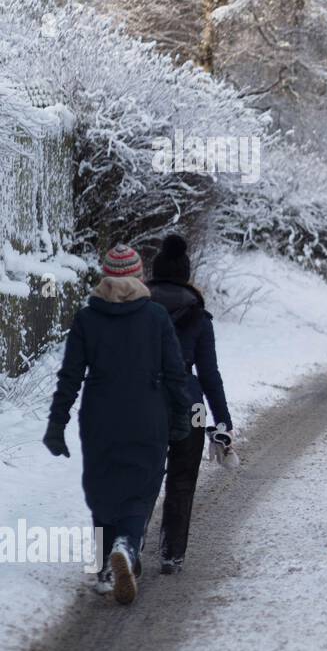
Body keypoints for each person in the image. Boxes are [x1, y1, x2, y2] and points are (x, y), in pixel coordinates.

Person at [44, 244, 191, 605]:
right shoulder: (156, 317)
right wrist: (181, 418)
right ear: (139, 277)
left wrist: (56, 424)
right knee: (139, 488)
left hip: (99, 416)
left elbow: (69, 377)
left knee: (102, 486)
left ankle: (102, 569)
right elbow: (176, 374)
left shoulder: (87, 319)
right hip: (147, 415)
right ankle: (126, 545)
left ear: (105, 278)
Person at [145, 235, 235, 574]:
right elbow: (210, 376)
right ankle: (172, 554)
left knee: (144, 474)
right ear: (185, 275)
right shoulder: (199, 318)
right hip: (192, 407)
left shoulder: (137, 312)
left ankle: (132, 540)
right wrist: (223, 422)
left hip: (146, 403)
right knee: (182, 480)